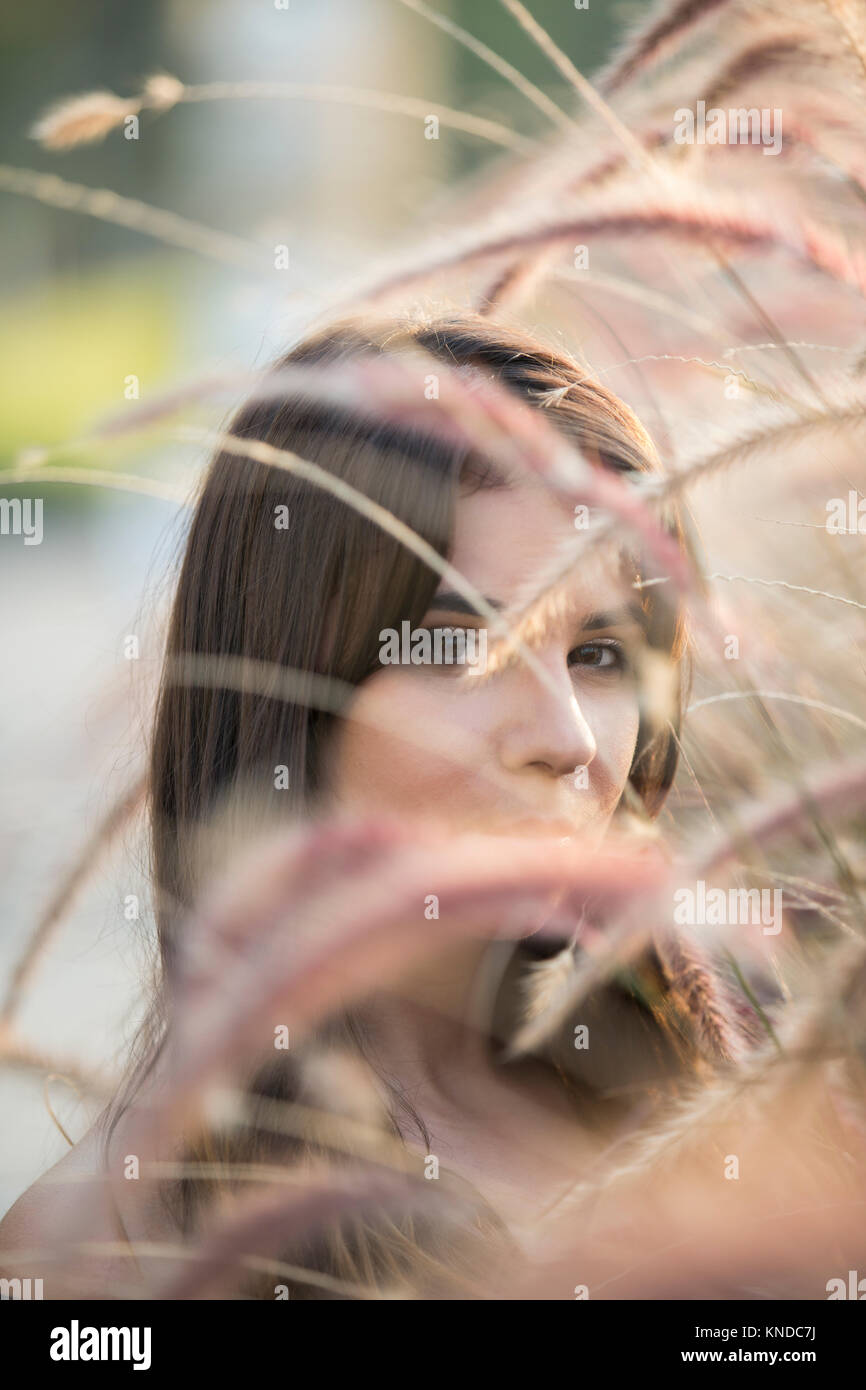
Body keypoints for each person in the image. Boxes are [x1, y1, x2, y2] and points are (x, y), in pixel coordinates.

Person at [0, 313, 760, 1299]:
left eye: (598, 655)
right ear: (284, 695)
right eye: (457, 649)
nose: (567, 738)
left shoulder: (739, 1109)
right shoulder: (108, 1252)